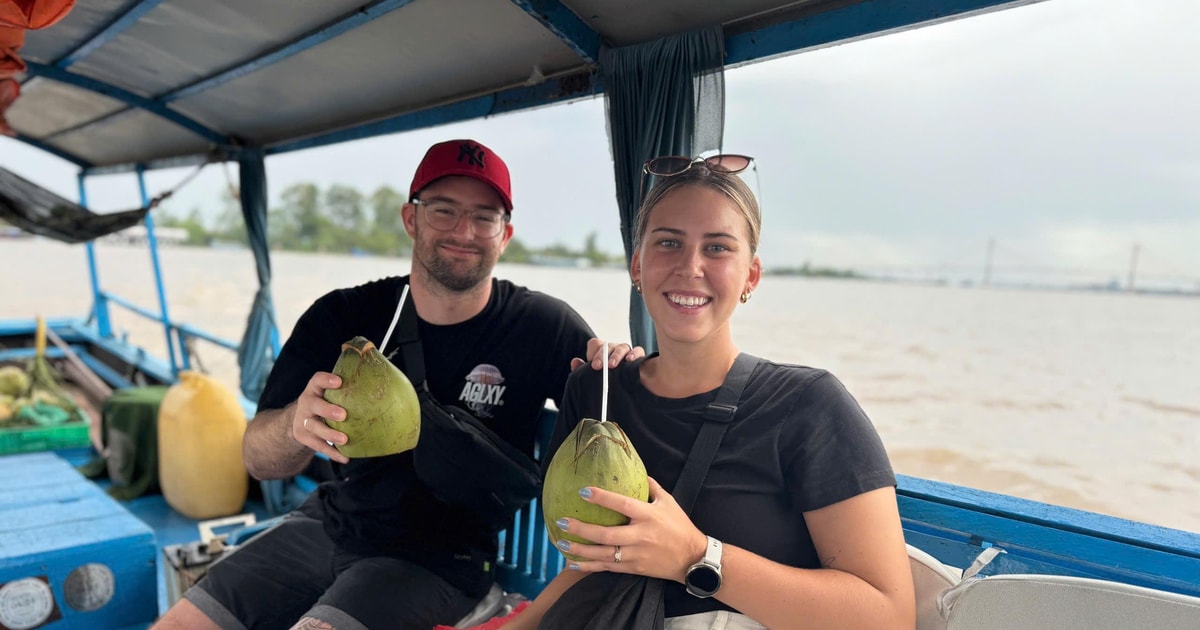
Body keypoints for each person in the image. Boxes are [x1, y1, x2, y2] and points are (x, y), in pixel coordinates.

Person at [153, 139, 640, 630]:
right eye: (444, 210)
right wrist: (294, 425)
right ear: (411, 219)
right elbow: (258, 459)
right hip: (330, 523)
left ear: (505, 234)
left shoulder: (542, 325)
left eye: (483, 217)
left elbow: (616, 419)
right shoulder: (344, 315)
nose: (464, 232)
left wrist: (624, 368)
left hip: (440, 559)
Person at [506, 156, 915, 629]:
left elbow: (888, 616)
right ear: (638, 266)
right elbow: (592, 567)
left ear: (751, 276)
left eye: (717, 248)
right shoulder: (596, 395)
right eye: (668, 242)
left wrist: (695, 557)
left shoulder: (809, 406)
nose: (690, 267)